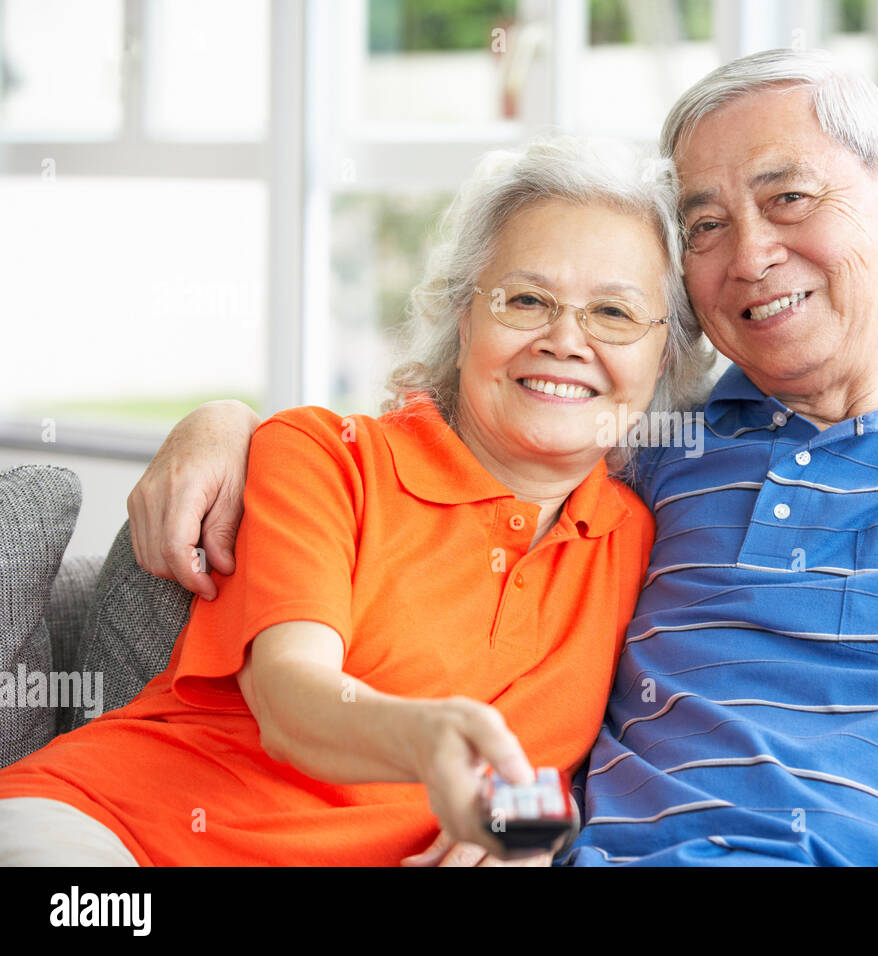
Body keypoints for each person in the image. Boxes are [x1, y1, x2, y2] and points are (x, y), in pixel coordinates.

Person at [126, 50, 878, 867]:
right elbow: (418, 466)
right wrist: (223, 420)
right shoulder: (652, 464)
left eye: (788, 197)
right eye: (703, 224)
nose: (748, 256)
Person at [0, 136, 713, 866]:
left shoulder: (649, 544)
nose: (565, 338)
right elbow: (292, 703)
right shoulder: (325, 457)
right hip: (109, 831)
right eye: (525, 299)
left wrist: (521, 837)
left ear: (665, 356)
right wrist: (430, 740)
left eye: (615, 314)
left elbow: (577, 770)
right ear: (463, 319)